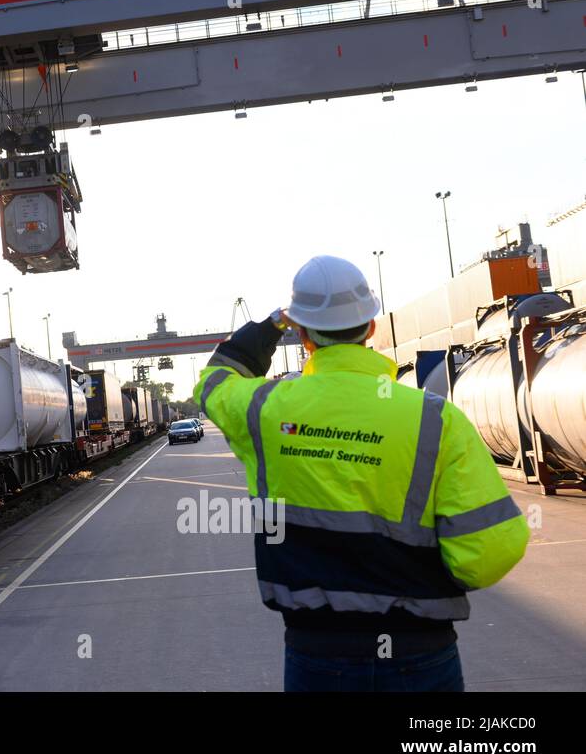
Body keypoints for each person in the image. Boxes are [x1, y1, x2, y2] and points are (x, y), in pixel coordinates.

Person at [193, 255, 528, 692]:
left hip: (318, 655)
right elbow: (492, 549)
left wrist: (272, 323)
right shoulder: (435, 419)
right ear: (371, 328)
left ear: (302, 334)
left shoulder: (263, 409)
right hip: (421, 653)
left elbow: (215, 380)